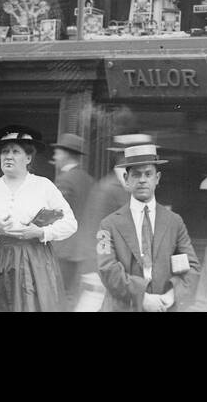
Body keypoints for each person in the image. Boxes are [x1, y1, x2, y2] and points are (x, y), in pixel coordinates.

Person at [0, 124, 76, 312]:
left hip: (35, 260)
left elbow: (70, 223)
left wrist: (41, 231)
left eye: (15, 152)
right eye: (4, 152)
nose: (8, 156)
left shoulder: (43, 186)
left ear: (28, 158)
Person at [96, 143, 200, 312]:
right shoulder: (108, 225)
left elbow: (192, 267)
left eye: (148, 174)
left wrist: (172, 295)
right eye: (136, 174)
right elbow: (107, 269)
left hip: (163, 307)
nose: (142, 179)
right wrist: (142, 297)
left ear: (157, 178)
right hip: (123, 307)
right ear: (126, 179)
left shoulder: (174, 222)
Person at [74, 133, 151, 311]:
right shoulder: (107, 190)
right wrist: (95, 272)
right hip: (103, 275)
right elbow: (95, 232)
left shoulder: (133, 188)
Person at [50, 132, 94, 309]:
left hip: (65, 249)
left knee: (59, 295)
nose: (55, 156)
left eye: (57, 152)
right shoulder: (89, 180)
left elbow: (54, 213)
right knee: (75, 296)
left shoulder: (64, 179)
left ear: (67, 154)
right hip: (84, 250)